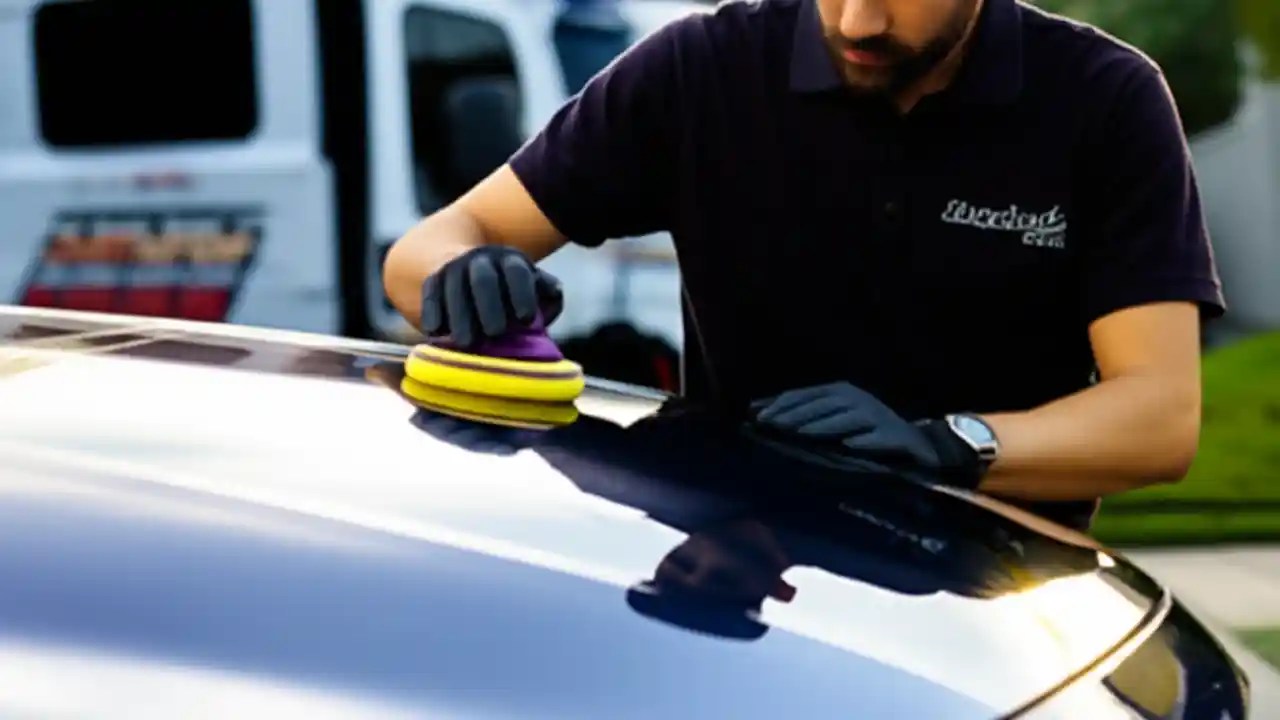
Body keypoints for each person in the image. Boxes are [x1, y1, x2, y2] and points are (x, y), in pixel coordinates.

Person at [381, 0, 1226, 532]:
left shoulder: (1105, 101)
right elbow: (434, 246)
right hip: (745, 580)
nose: (858, 21)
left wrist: (951, 444)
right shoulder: (700, 71)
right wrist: (461, 278)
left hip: (996, 602)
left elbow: (1157, 417)